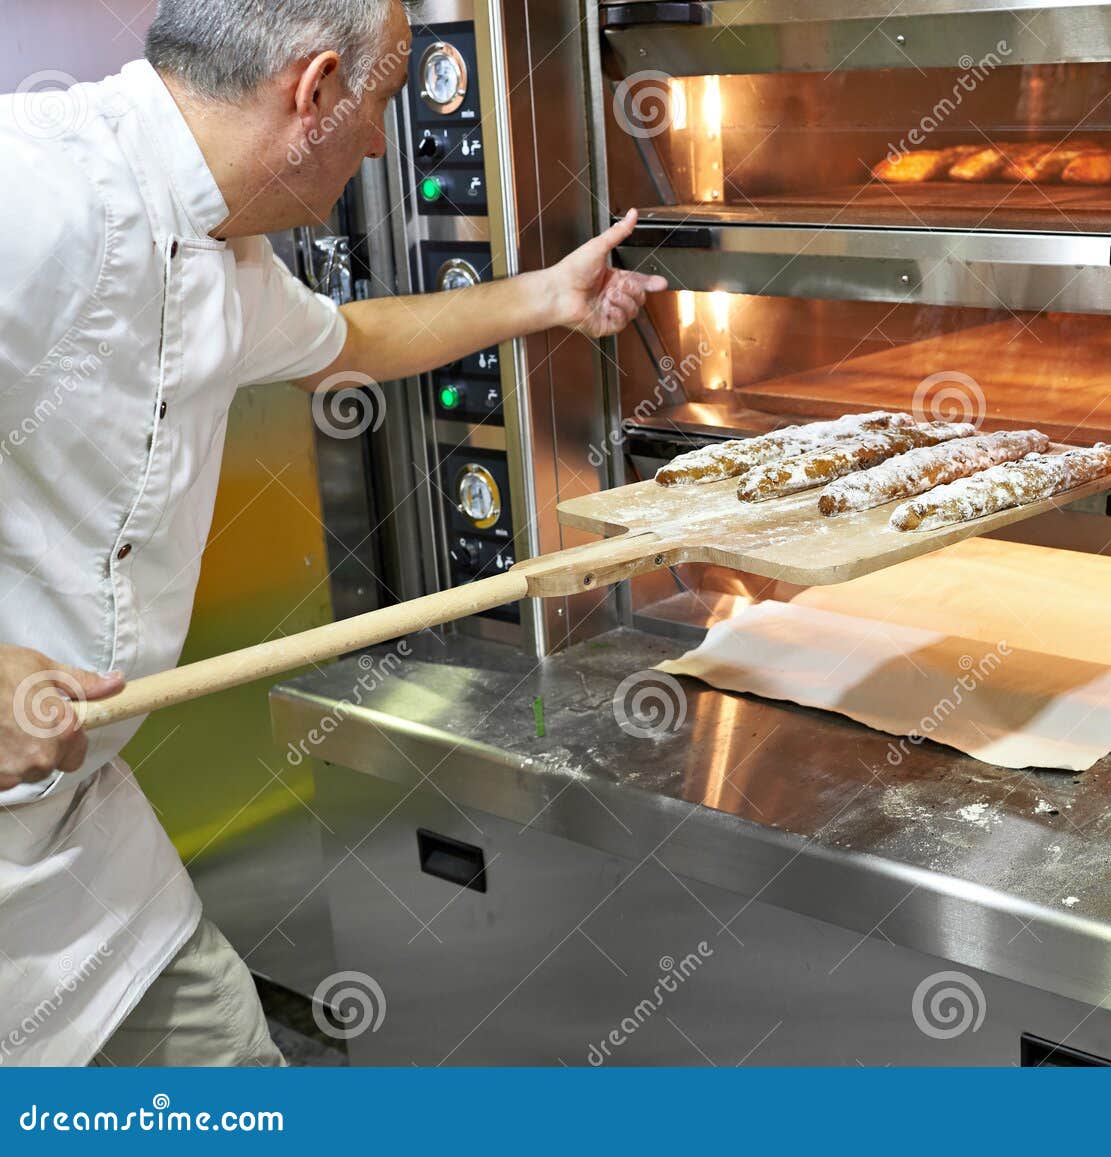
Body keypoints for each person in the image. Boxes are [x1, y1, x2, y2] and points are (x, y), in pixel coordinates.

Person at [0, 0, 664, 1066]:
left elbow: (348, 337)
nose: (375, 142)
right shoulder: (29, 187)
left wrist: (545, 296)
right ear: (312, 92)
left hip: (80, 841)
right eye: (381, 102)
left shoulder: (225, 251)